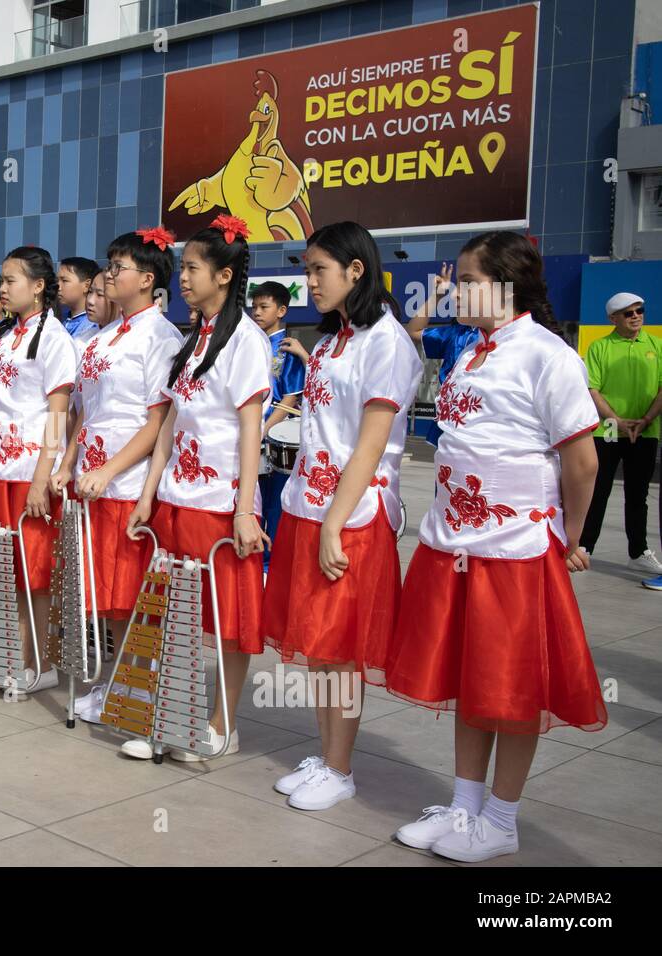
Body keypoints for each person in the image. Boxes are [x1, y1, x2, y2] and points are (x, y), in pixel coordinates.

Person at [382, 230, 605, 862]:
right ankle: (464, 805)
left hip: (515, 547)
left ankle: (501, 819)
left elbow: (581, 462)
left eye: (470, 279)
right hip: (455, 540)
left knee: (511, 687)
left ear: (509, 285)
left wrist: (569, 536)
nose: (455, 290)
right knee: (469, 679)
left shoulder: (547, 355)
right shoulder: (471, 351)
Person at [262, 220, 423, 812]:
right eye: (305, 270)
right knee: (320, 644)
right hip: (310, 502)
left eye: (318, 270)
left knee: (342, 646)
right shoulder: (334, 340)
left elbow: (372, 445)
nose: (309, 283)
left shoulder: (388, 344)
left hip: (351, 513)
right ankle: (326, 752)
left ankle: (340, 765)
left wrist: (334, 521)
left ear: (356, 270)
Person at [127, 215, 271, 760]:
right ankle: (169, 715)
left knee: (229, 619)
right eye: (182, 268)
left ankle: (222, 723)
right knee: (172, 611)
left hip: (220, 501)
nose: (183, 278)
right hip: (178, 498)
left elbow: (251, 428)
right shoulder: (192, 342)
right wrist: (148, 494)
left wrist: (244, 508)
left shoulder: (247, 342)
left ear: (226, 276)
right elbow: (169, 424)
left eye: (192, 268)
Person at [50, 228, 184, 723]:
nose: (109, 274)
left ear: (147, 280)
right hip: (91, 479)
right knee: (103, 593)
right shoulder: (102, 336)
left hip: (127, 482)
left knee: (133, 593)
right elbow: (88, 409)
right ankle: (113, 679)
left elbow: (158, 421)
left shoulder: (163, 337)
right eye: (108, 264)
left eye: (118, 266)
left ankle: (139, 684)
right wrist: (68, 461)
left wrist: (108, 470)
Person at [0, 246, 76, 690]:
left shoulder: (54, 337)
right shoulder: (4, 338)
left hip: (28, 472)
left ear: (38, 287)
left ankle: (38, 663)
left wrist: (42, 480)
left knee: (34, 574)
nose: (2, 288)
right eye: (1, 280)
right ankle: (11, 656)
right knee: (5, 569)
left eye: (11, 280)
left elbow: (58, 413)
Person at [580, 292, 662, 577]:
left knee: (638, 494)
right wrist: (616, 419)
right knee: (599, 490)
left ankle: (638, 552)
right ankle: (584, 547)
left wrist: (646, 419)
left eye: (640, 310)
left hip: (645, 430)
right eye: (628, 313)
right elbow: (592, 388)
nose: (636, 316)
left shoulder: (656, 345)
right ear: (613, 318)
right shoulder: (600, 348)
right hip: (609, 431)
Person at [253, 280, 308, 561]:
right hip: (251, 434)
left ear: (282, 310)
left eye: (264, 307)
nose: (257, 312)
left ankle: (268, 565)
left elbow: (289, 399)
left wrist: (263, 430)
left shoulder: (288, 349)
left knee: (273, 504)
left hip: (271, 437)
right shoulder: (251, 342)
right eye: (254, 306)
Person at [406, 261, 479, 449]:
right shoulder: (454, 333)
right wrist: (436, 296)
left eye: (467, 287)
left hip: (481, 430)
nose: (456, 295)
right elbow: (413, 331)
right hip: (450, 426)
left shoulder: (504, 338)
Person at [57, 256, 101, 341]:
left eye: (64, 280)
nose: (58, 286)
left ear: (87, 285)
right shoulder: (62, 321)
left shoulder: (93, 326)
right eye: (57, 280)